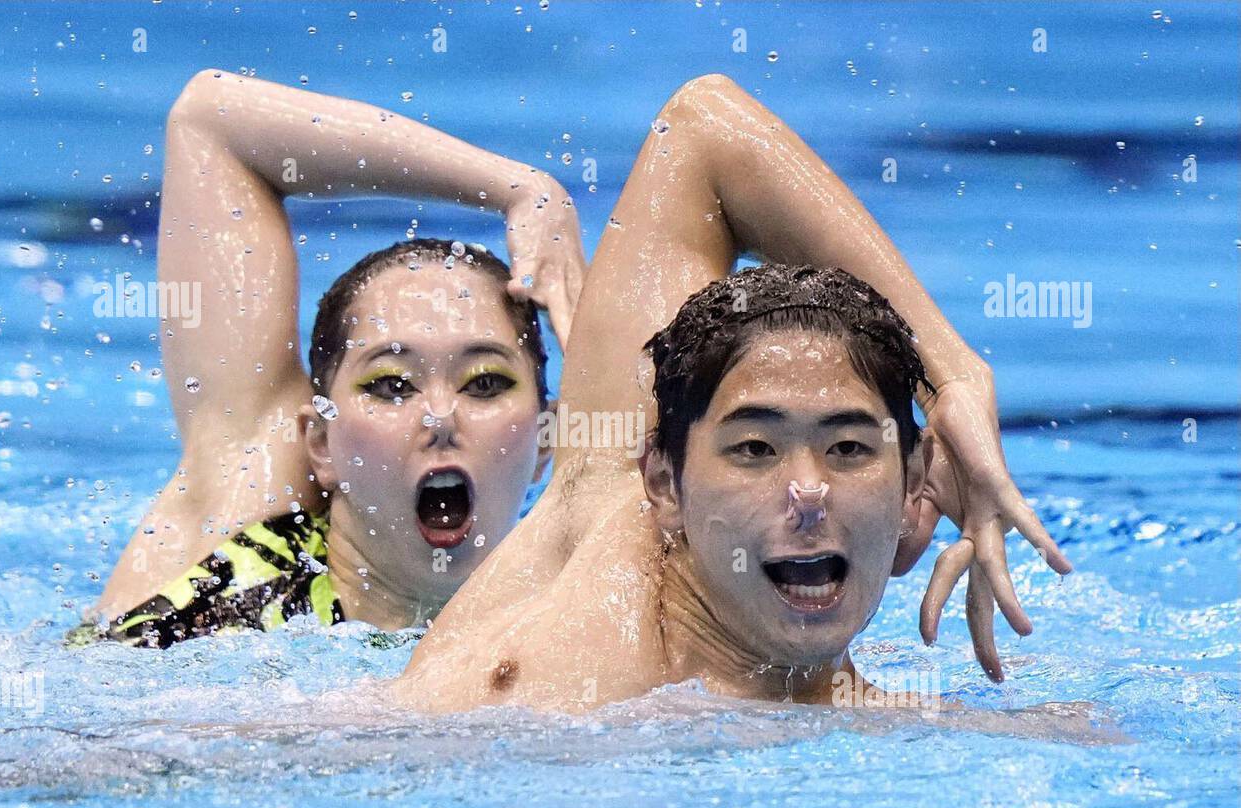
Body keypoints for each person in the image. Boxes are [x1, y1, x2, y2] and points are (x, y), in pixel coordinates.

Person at [391, 73, 1072, 713]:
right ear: (663, 482)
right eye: (754, 447)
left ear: (913, 491)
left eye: (849, 448)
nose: (809, 493)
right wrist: (953, 377)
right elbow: (702, 128)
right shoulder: (599, 514)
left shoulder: (934, 741)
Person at [69, 71, 585, 647]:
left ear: (548, 437)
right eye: (391, 385)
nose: (441, 415)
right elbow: (210, 120)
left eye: (485, 383)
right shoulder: (244, 510)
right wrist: (523, 191)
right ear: (319, 442)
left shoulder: (585, 613)